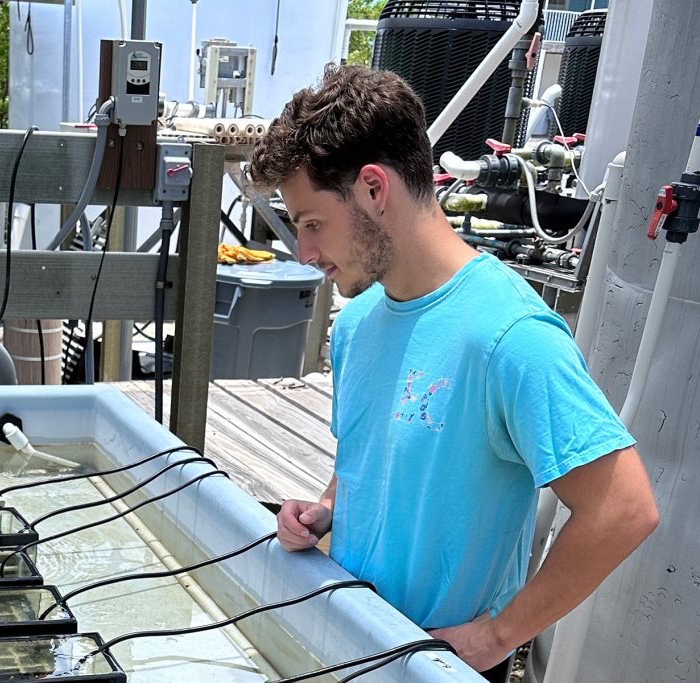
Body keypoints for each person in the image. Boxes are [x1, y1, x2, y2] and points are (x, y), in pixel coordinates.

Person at [245, 64, 658, 681]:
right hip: (345, 639)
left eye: (311, 223)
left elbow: (623, 509)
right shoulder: (358, 324)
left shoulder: (509, 334)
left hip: (440, 664)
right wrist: (327, 510)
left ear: (374, 190)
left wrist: (500, 635)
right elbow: (370, 462)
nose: (304, 253)